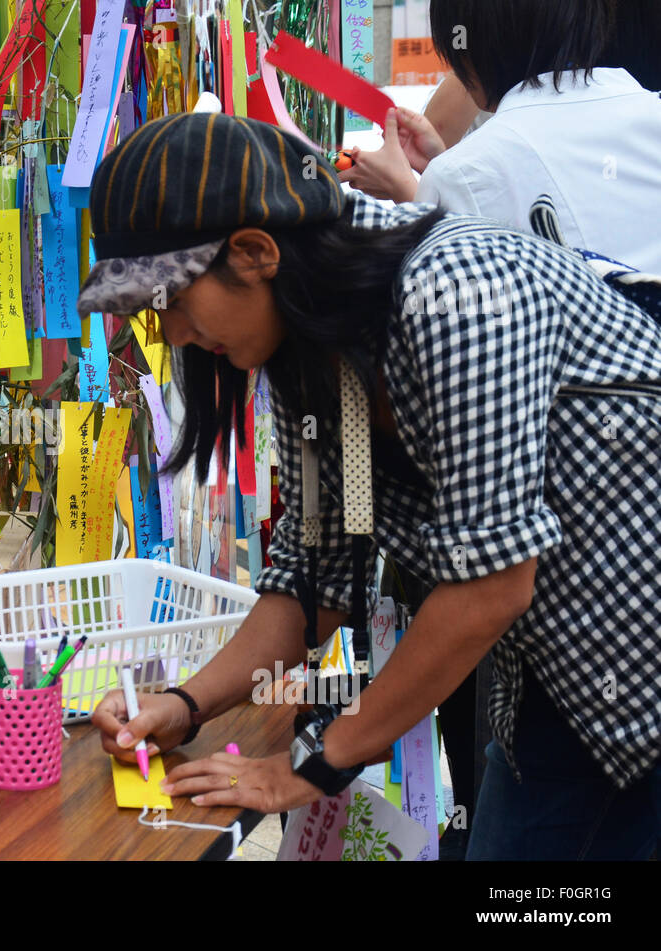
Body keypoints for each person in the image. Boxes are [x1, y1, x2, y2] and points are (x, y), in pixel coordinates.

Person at [81, 112, 661, 860]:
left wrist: (315, 764)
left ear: (255, 252)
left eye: (173, 302)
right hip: (563, 686)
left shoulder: (457, 294)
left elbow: (492, 588)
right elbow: (315, 573)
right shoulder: (309, 344)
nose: (174, 336)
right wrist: (184, 705)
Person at [339, 0, 661, 272]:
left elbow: (452, 297)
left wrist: (411, 190)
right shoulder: (650, 111)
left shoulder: (463, 173)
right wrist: (442, 166)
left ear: (467, 54)